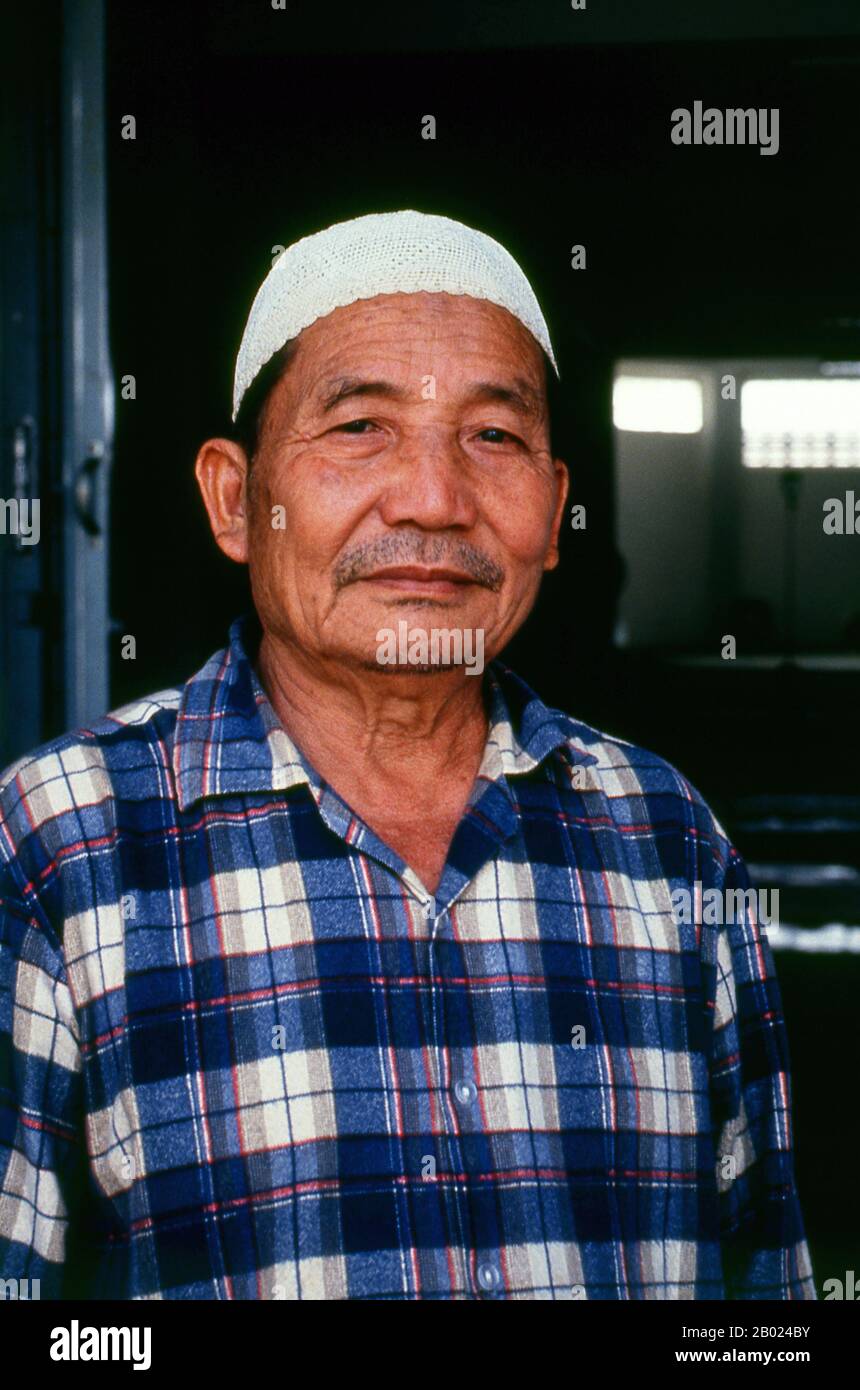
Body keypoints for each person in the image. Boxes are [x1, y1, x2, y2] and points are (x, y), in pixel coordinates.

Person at [0, 210, 814, 1299]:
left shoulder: (663, 836)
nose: (433, 500)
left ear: (555, 508)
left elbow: (764, 1284)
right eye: (359, 428)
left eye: (492, 436)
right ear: (235, 499)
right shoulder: (63, 843)